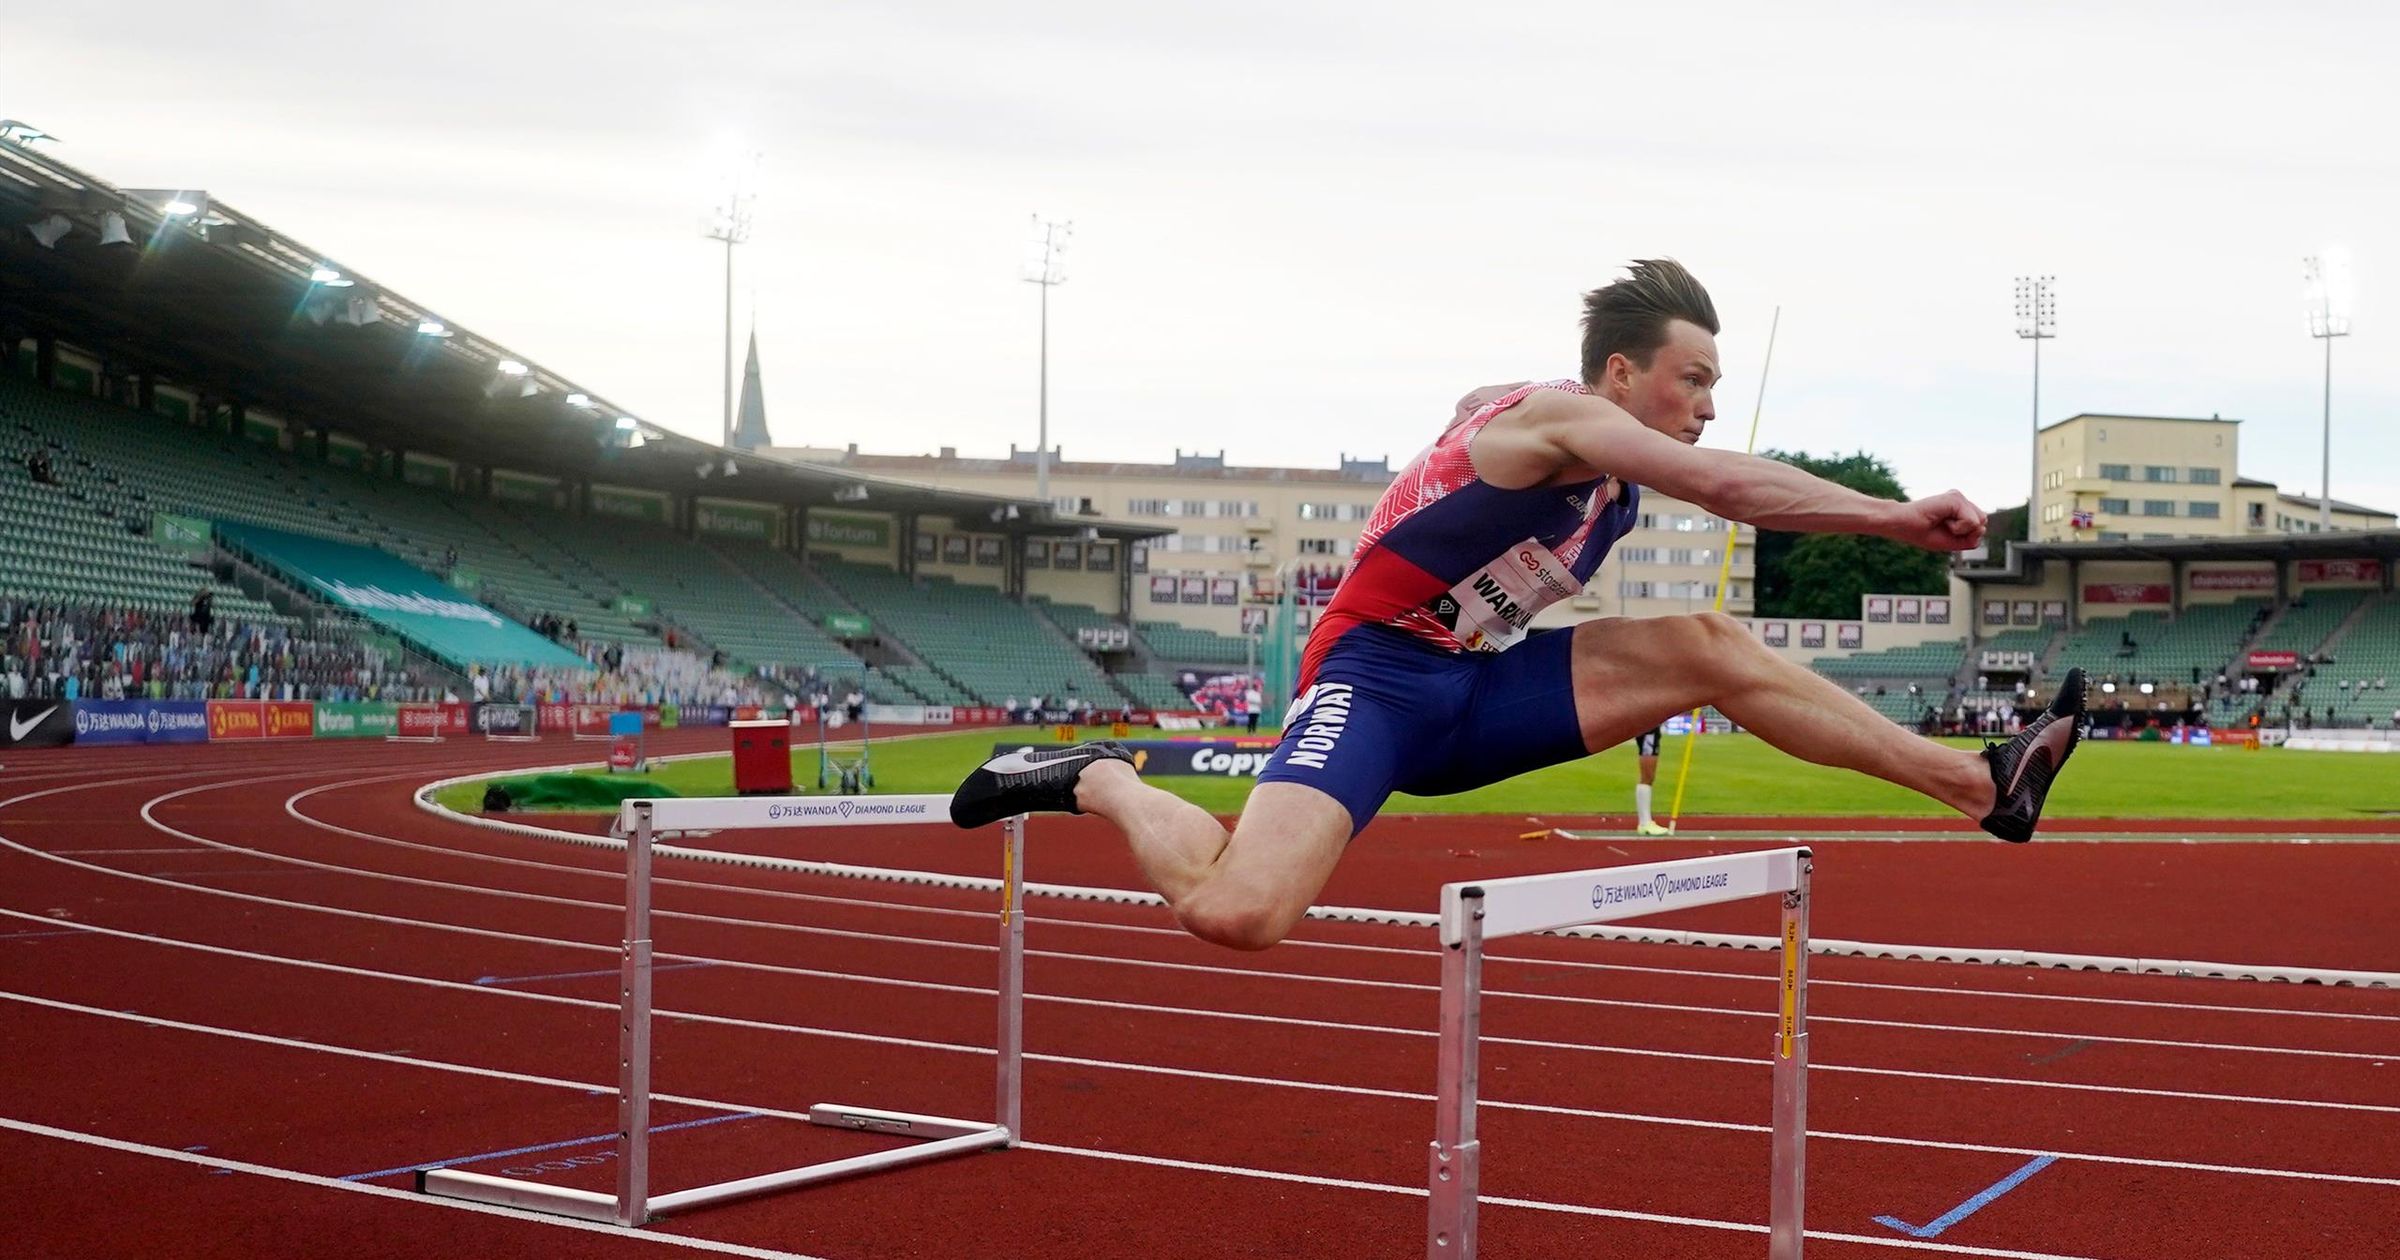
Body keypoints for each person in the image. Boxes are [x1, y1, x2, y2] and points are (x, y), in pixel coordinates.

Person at [951, 259, 2089, 950]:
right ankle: (1096, 775)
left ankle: (1984, 785)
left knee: (1704, 641)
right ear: (1619, 375)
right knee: (1241, 914)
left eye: (1713, 385)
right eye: (1691, 379)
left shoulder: (1594, 465)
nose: (1704, 405)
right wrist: (1893, 517)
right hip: (1373, 678)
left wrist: (1461, 424)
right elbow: (1730, 487)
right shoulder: (1559, 419)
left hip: (1480, 686)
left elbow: (1665, 457)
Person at [1632, 722, 1670, 835]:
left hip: (1650, 727)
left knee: (1648, 777)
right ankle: (1645, 823)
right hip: (1648, 728)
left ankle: (1645, 822)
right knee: (1648, 776)